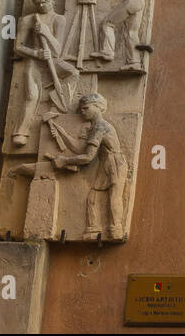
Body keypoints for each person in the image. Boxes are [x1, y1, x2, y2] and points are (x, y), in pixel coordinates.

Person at [49, 92, 128, 240]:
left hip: (114, 163)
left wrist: (65, 161)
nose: (82, 112)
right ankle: (94, 229)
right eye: (81, 109)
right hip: (107, 163)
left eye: (85, 108)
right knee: (93, 196)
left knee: (114, 196)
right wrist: (61, 132)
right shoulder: (94, 126)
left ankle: (116, 229)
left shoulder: (101, 126)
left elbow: (88, 157)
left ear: (97, 107)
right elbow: (80, 149)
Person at [11, 0, 77, 147]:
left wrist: (47, 33)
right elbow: (17, 47)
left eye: (45, 2)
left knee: (73, 72)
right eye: (38, 3)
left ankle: (55, 100)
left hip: (53, 62)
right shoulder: (28, 20)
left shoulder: (59, 20)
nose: (41, 6)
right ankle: (21, 131)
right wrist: (36, 53)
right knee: (32, 96)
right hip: (35, 62)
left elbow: (57, 50)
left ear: (52, 2)